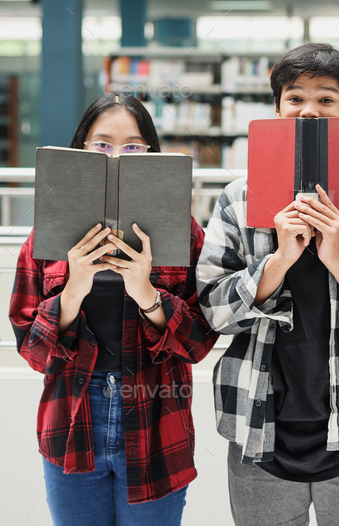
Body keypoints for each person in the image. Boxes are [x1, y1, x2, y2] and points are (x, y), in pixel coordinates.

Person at [196, 43, 339, 526]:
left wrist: (337, 258)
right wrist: (279, 260)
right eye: (295, 98)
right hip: (258, 428)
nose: (309, 110)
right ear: (277, 109)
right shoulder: (239, 199)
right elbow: (213, 311)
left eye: (326, 98)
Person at [9, 93, 217, 526]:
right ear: (80, 150)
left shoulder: (183, 233)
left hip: (157, 419)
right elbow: (33, 351)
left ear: (152, 155)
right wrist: (73, 291)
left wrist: (147, 294)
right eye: (102, 144)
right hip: (71, 420)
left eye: (133, 146)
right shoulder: (46, 236)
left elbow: (198, 343)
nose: (116, 156)